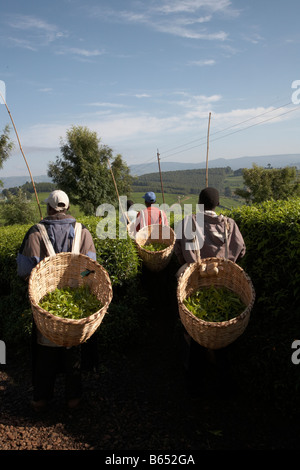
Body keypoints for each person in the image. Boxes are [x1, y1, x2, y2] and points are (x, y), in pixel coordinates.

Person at [17, 190, 97, 412]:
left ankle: (41, 399)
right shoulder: (83, 232)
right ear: (67, 207)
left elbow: (24, 270)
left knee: (44, 350)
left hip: (45, 305)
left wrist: (46, 277)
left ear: (50, 208)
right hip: (76, 304)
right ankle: (73, 399)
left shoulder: (36, 232)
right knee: (73, 348)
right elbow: (91, 270)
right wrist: (75, 278)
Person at [174, 187, 246, 394]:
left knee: (197, 331)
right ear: (217, 204)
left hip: (195, 286)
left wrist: (190, 264)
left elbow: (178, 250)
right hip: (225, 286)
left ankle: (194, 384)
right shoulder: (229, 225)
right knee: (223, 329)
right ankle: (224, 384)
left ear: (199, 204)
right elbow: (241, 251)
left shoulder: (188, 223)